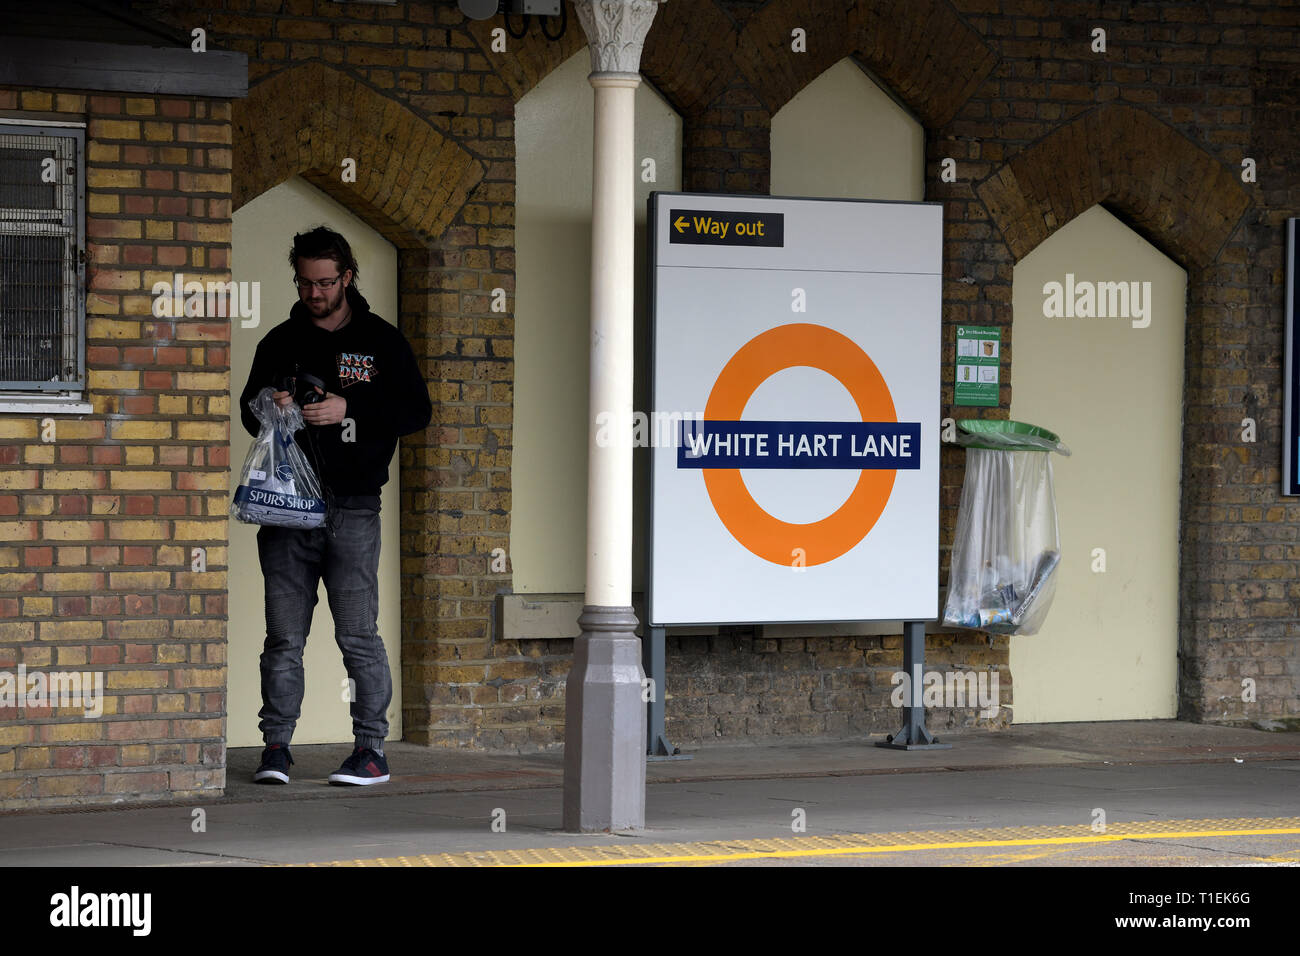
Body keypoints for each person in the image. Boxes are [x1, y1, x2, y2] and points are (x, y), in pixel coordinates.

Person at [237, 226, 432, 785]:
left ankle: (371, 751)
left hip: (352, 506)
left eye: (325, 282)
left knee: (358, 634)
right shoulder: (278, 340)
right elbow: (250, 415)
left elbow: (416, 412)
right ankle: (276, 748)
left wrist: (350, 407)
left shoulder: (382, 340)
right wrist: (271, 404)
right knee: (283, 637)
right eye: (305, 282)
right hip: (285, 507)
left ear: (347, 276)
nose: (314, 293)